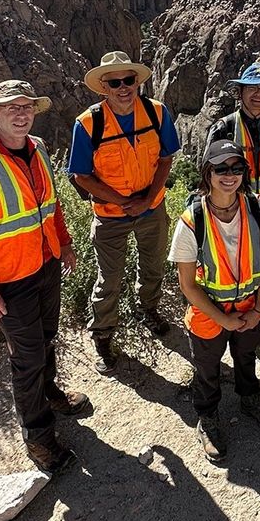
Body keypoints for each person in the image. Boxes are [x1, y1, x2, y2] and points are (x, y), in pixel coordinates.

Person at [0, 81, 88, 473]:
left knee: (47, 337)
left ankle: (51, 393)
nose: (21, 114)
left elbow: (51, 204)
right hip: (9, 281)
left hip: (45, 265)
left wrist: (65, 243)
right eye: (12, 107)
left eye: (27, 106)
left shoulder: (38, 148)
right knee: (27, 360)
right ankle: (39, 439)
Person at [169, 141, 260, 462]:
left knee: (246, 357)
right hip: (210, 313)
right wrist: (223, 319)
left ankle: (249, 399)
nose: (229, 175)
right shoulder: (193, 219)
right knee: (207, 368)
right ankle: (207, 417)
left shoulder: (257, 207)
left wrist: (258, 308)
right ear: (208, 173)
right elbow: (188, 285)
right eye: (221, 168)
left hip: (250, 307)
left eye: (236, 168)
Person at [69, 51, 180, 374]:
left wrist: (147, 200)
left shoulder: (156, 112)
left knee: (153, 264)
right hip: (110, 215)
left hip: (152, 208)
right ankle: (103, 334)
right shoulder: (88, 123)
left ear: (137, 82)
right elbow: (81, 175)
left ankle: (149, 309)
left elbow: (166, 158)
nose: (123, 87)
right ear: (103, 87)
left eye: (128, 80)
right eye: (114, 82)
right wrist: (121, 201)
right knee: (110, 278)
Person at [206, 63, 260, 228]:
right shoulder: (225, 127)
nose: (259, 94)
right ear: (240, 92)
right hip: (232, 209)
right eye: (252, 88)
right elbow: (208, 172)